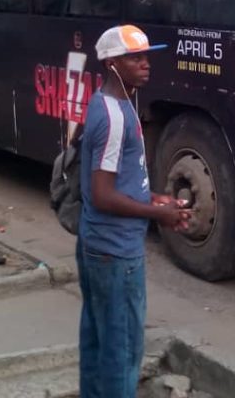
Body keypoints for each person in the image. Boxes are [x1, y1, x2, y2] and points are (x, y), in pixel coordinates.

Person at [77, 25, 190, 398]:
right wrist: (161, 216)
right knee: (122, 350)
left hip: (99, 245)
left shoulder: (115, 102)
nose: (145, 64)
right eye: (134, 58)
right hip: (116, 252)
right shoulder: (114, 118)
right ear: (112, 64)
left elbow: (120, 182)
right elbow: (103, 195)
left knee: (99, 339)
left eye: (146, 56)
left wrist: (156, 198)